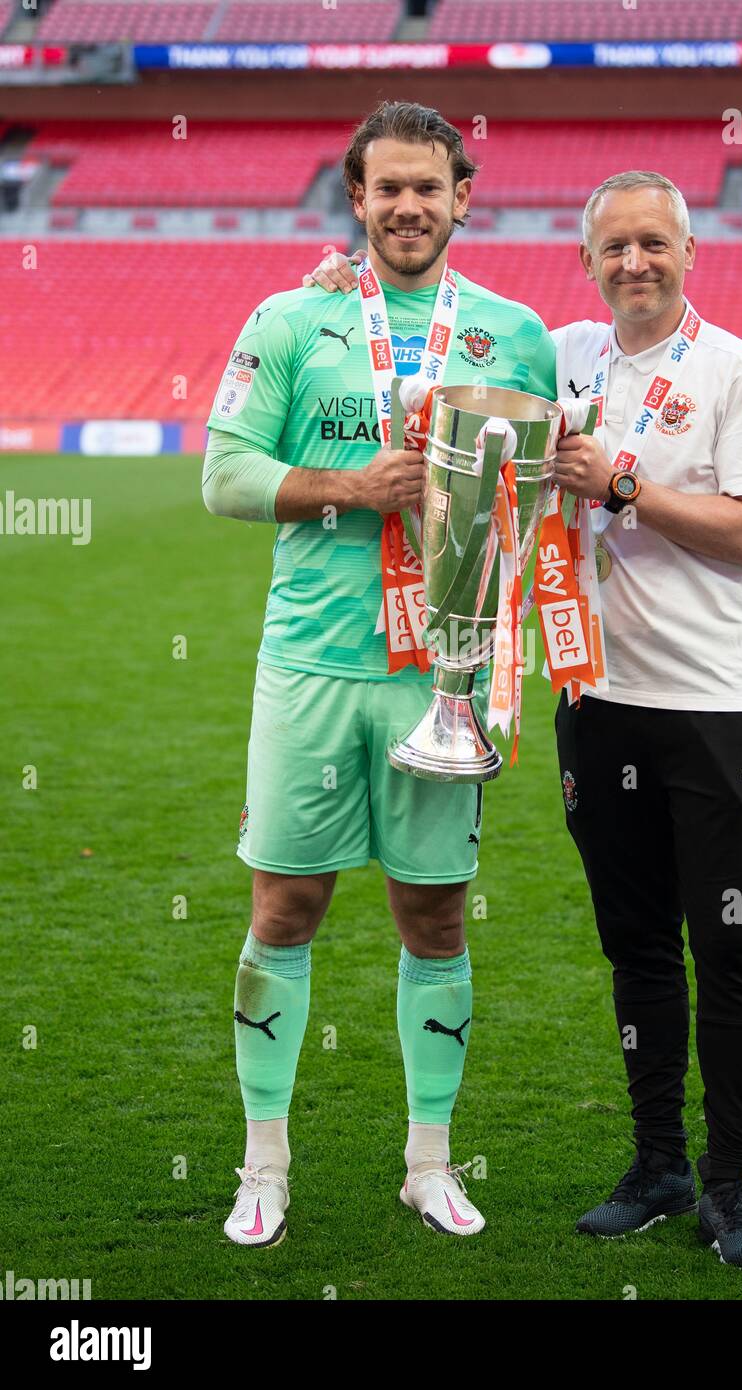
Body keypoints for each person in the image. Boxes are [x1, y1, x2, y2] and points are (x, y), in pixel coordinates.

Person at [305, 169, 742, 1270]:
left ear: (687, 253)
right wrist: (343, 291)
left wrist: (620, 483)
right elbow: (442, 341)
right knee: (633, 947)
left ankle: (731, 1188)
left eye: (652, 244)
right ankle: (658, 1161)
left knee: (727, 947)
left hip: (716, 705)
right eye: (613, 246)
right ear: (587, 262)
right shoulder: (560, 352)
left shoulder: (739, 370)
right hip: (596, 702)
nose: (634, 262)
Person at [203, 100, 555, 1246]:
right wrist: (359, 485)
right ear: (355, 198)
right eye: (386, 187)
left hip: (434, 670)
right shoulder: (293, 316)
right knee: (285, 904)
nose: (408, 206)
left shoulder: (515, 332)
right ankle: (264, 1164)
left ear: (464, 195)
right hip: (308, 666)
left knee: (436, 918)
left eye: (429, 186)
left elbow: (543, 489)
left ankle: (429, 1162)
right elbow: (225, 476)